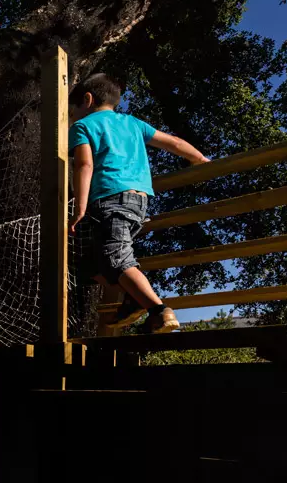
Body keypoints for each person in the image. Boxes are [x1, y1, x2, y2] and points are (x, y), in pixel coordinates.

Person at [67, 74, 210, 333]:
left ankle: (159, 310)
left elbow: (85, 165)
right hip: (138, 201)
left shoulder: (83, 126)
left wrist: (80, 207)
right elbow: (174, 143)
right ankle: (133, 299)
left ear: (86, 100)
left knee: (117, 256)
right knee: (87, 264)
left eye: (73, 111)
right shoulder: (133, 123)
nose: (73, 117)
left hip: (109, 200)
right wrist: (201, 160)